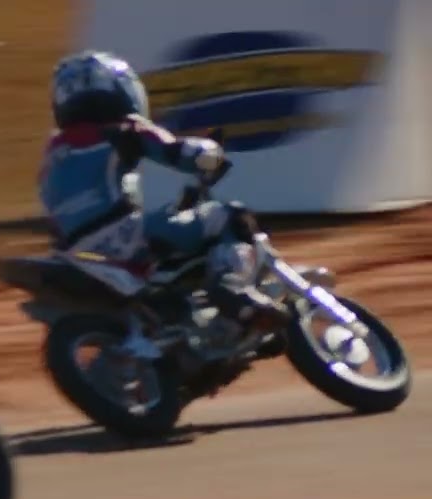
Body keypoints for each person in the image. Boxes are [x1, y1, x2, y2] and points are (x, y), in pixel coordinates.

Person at [38, 50, 288, 344]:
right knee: (229, 217)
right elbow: (180, 152)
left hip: (76, 252)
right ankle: (232, 289)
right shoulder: (124, 130)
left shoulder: (52, 157)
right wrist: (210, 153)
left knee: (174, 234)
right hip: (127, 238)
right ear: (119, 89)